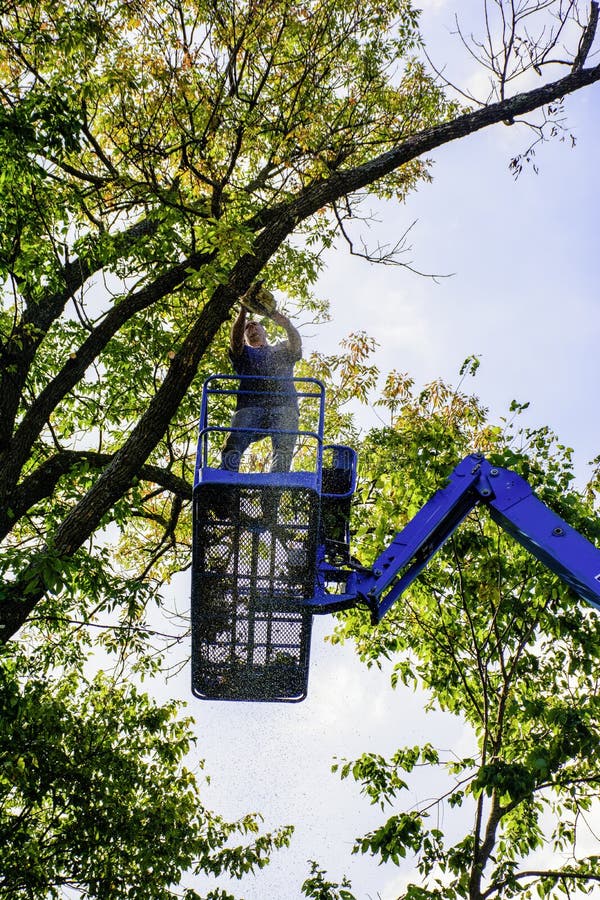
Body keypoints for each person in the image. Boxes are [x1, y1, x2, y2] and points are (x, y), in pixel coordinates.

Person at [220, 299, 302, 474]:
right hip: (250, 406)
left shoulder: (280, 350)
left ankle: (273, 492)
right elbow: (235, 342)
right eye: (247, 327)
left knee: (283, 451)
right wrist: (243, 310)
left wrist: (282, 321)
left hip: (284, 405)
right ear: (244, 334)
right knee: (234, 443)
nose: (252, 328)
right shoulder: (244, 353)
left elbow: (295, 345)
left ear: (264, 331)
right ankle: (225, 488)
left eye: (255, 325)